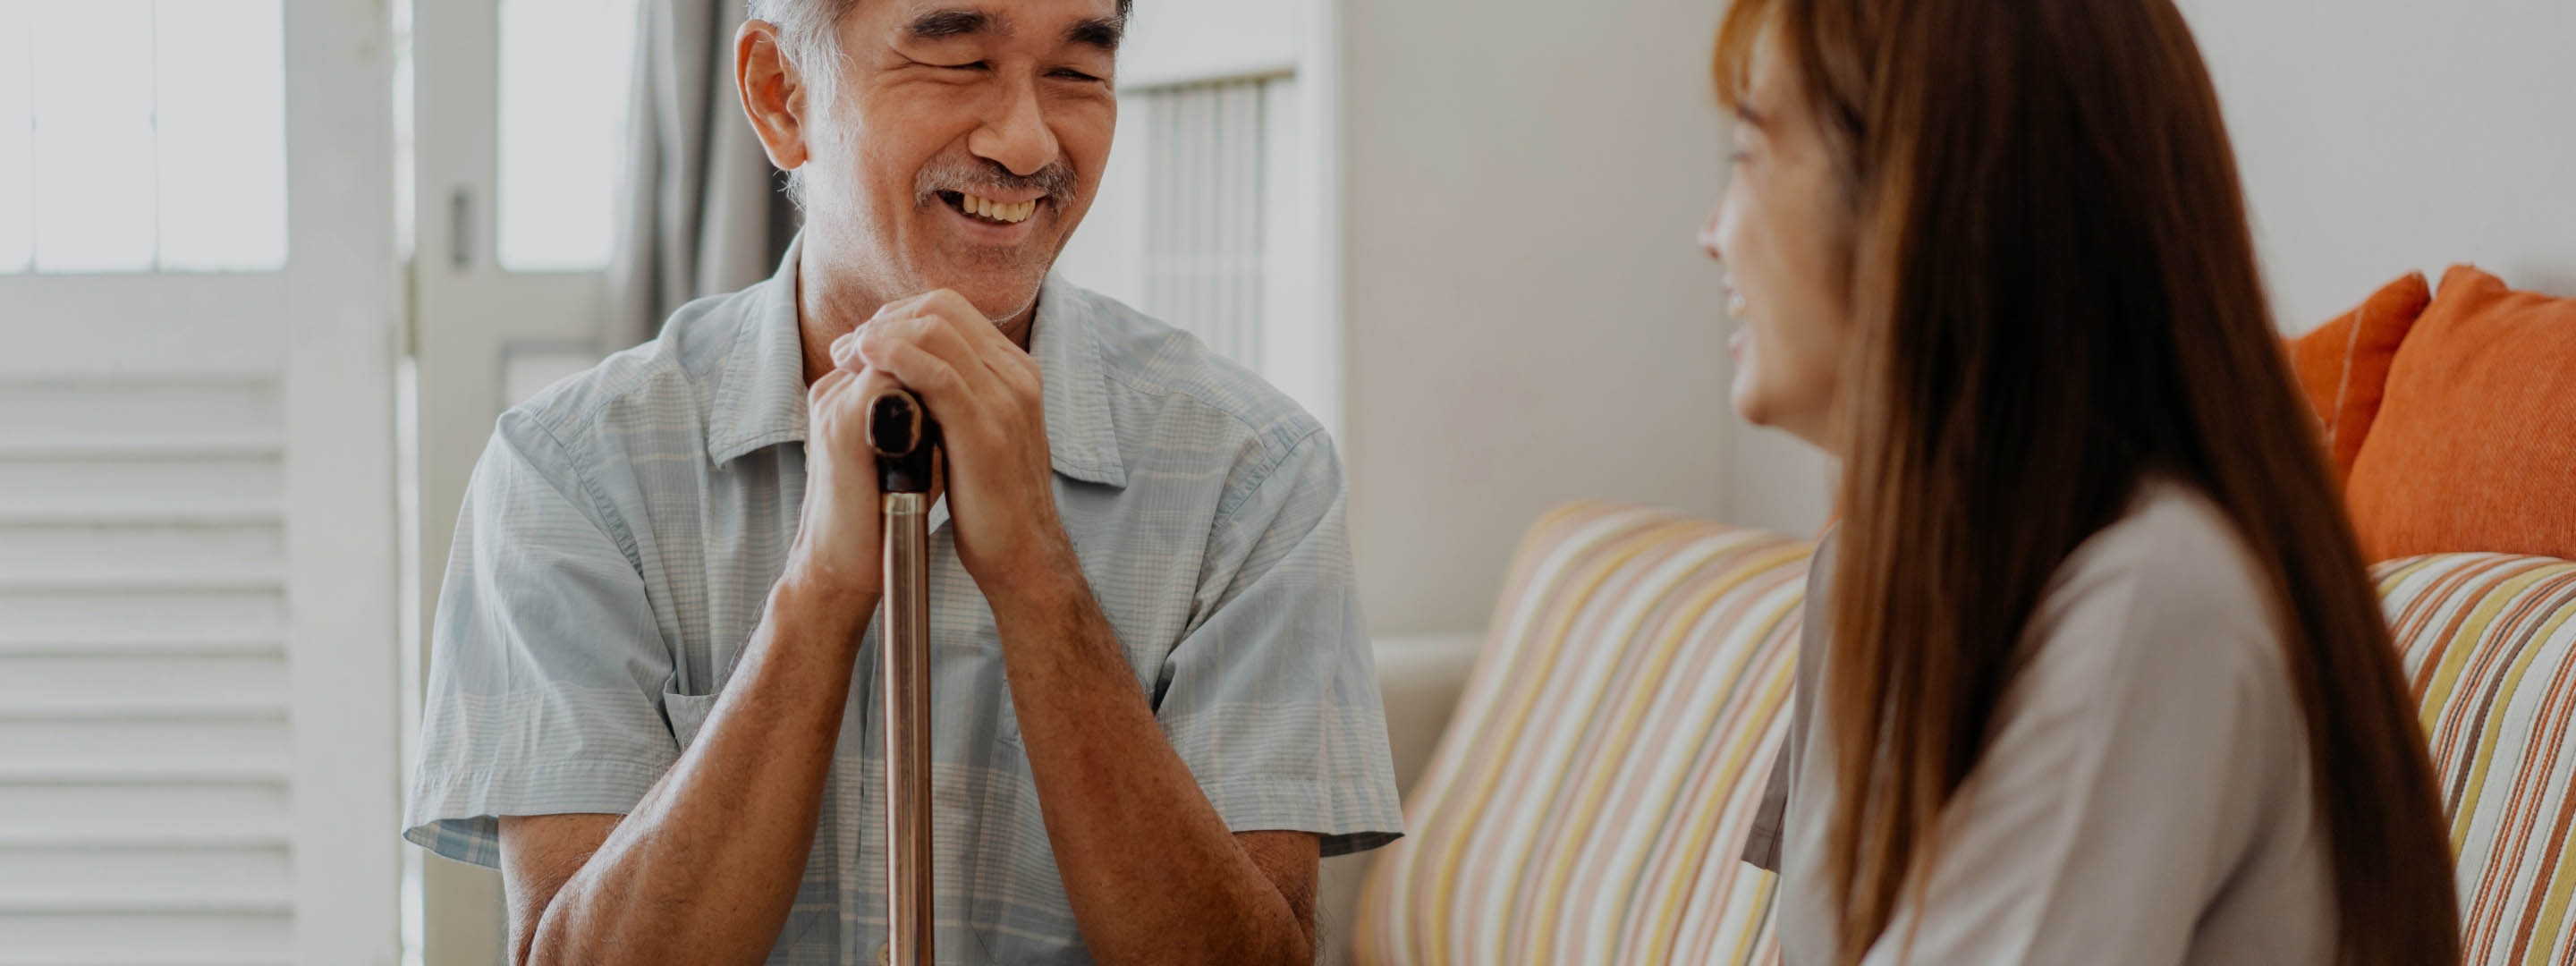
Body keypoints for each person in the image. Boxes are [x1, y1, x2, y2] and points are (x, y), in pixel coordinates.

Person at [401, 2, 1402, 962]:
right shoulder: (570, 474)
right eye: (959, 58)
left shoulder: (1256, 476)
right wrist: (818, 594)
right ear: (779, 93)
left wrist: (1042, 581)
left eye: (1076, 70)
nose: (1025, 140)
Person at [1707, 0, 2461, 962]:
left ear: (1920, 195)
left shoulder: (2154, 599)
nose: (1713, 234)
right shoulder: (1858, 578)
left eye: (1749, 154)